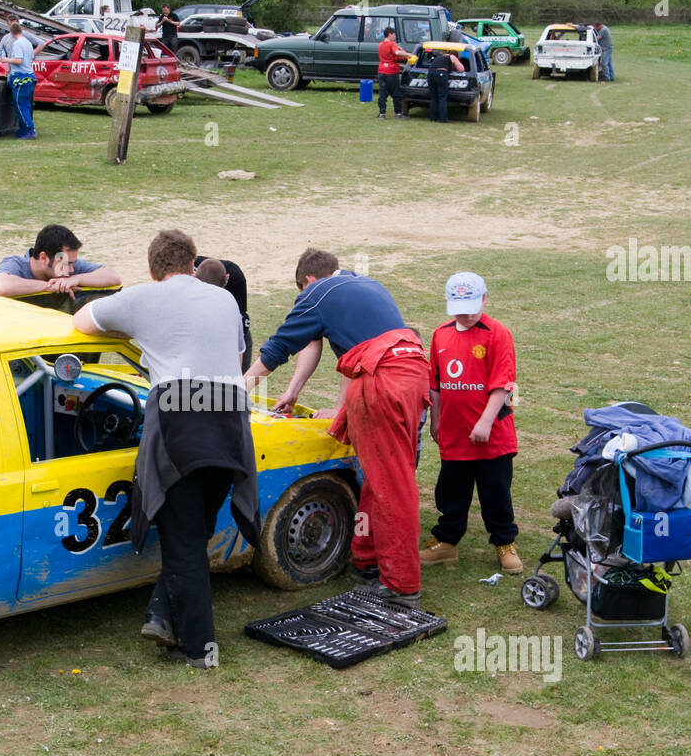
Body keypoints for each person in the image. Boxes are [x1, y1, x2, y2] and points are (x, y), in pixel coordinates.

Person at [71, 230, 260, 668]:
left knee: (182, 543)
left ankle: (200, 650)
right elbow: (234, 358)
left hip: (182, 424)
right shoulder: (225, 300)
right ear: (194, 263)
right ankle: (160, 616)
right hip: (231, 423)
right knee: (193, 531)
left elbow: (82, 321)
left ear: (154, 269)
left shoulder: (143, 297)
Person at [244, 249, 431, 606]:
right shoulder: (365, 285)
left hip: (382, 380)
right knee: (379, 478)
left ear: (308, 281)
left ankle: (401, 586)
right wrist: (299, 392)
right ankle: (365, 559)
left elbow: (281, 346)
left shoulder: (317, 294)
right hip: (412, 373)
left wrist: (239, 387)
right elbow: (331, 346)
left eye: (301, 292)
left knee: (393, 487)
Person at [420, 272, 523, 575]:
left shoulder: (497, 333)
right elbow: (435, 384)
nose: (465, 313)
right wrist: (436, 419)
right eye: (459, 307)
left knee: (496, 490)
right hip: (454, 433)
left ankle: (504, 543)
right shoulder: (440, 334)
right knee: (451, 489)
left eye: (472, 306)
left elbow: (503, 385)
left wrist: (485, 422)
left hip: (491, 434)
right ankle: (447, 541)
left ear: (485, 299)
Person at [0, 224, 122, 312]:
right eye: (66, 264)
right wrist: (49, 286)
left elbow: (113, 277)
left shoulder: (67, 267)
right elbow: (1, 287)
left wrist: (76, 279)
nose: (71, 269)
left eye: (72, 263)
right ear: (43, 257)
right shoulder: (15, 264)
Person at [194, 255, 253, 373]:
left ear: (227, 278)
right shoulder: (186, 269)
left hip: (231, 332)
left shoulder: (236, 279)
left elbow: (241, 330)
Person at [0, 20, 36, 139]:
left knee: (20, 106)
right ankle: (23, 130)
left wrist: (6, 60)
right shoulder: (28, 43)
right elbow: (31, 57)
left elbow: (19, 60)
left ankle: (30, 130)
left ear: (12, 33)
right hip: (30, 77)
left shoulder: (18, 43)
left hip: (21, 79)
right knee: (26, 105)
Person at [376, 26, 412, 120]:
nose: (395, 36)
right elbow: (396, 53)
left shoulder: (380, 45)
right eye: (394, 34)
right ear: (390, 34)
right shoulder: (392, 44)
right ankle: (398, 113)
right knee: (396, 93)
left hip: (381, 70)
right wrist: (408, 54)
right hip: (391, 71)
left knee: (382, 93)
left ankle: (382, 113)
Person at [423, 47, 464, 123]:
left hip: (430, 74)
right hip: (441, 74)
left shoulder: (440, 57)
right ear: (455, 54)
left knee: (434, 97)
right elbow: (461, 69)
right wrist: (455, 64)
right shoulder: (452, 57)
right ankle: (443, 119)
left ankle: (433, 118)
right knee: (442, 97)